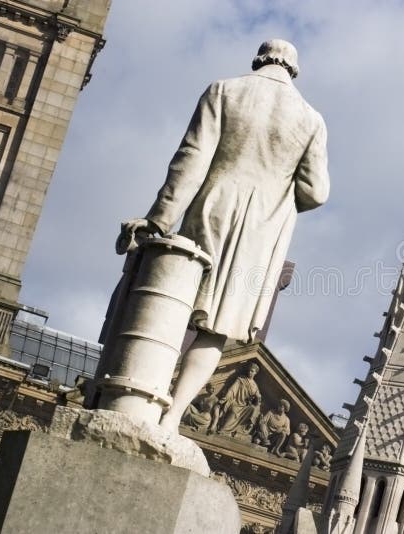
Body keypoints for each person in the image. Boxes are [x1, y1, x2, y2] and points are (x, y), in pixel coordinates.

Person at [122, 39, 330, 431]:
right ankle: (174, 416)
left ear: (259, 59)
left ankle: (143, 396)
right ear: (293, 70)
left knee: (175, 301)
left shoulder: (224, 90)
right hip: (260, 231)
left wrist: (160, 219)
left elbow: (191, 159)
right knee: (218, 327)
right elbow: (317, 192)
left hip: (212, 206)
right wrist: (278, 190)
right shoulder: (311, 119)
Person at [213, 363, 262, 435]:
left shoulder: (255, 386)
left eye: (252, 371)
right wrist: (224, 399)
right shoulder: (241, 379)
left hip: (245, 407)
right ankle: (223, 429)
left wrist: (258, 397)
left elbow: (257, 403)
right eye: (249, 370)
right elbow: (232, 390)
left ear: (255, 373)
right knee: (234, 411)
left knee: (253, 409)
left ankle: (245, 428)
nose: (250, 372)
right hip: (235, 403)